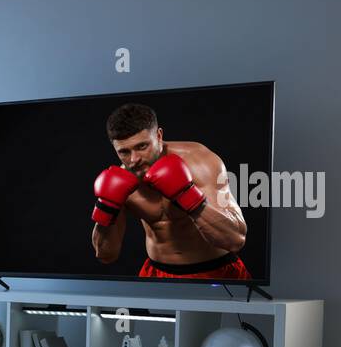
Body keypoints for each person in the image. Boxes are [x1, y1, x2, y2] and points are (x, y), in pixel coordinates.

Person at [90, 103, 252, 281]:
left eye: (142, 146)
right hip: (157, 274)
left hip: (216, 271)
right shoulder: (119, 182)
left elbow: (235, 239)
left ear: (159, 136)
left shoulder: (199, 162)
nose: (134, 159)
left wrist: (187, 195)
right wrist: (107, 207)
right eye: (124, 152)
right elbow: (105, 255)